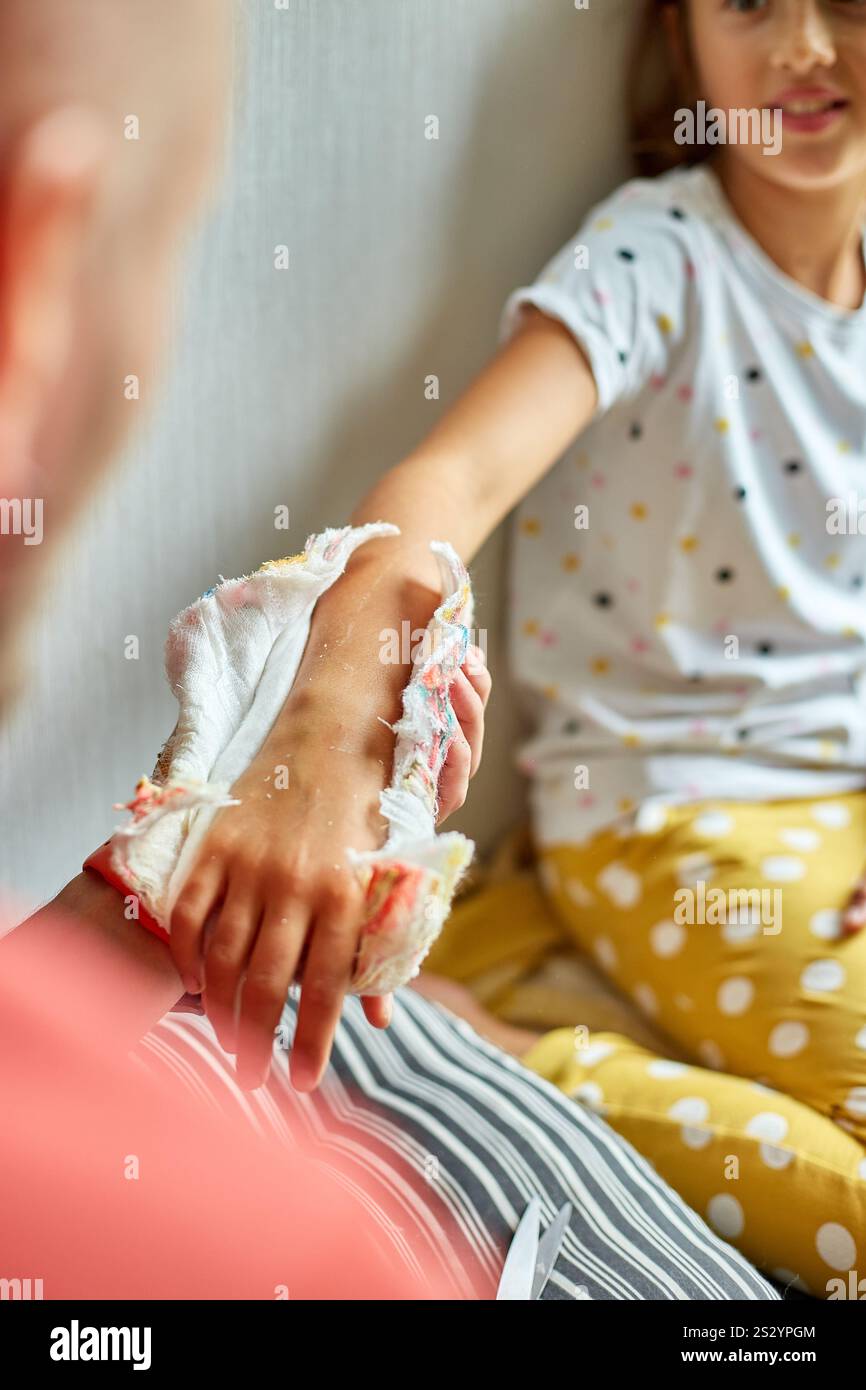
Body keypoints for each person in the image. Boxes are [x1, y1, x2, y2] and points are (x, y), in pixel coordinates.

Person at [158, 0, 866, 1294]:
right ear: (680, 31)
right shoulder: (662, 260)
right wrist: (326, 731)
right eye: (751, 4)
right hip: (672, 811)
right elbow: (448, 478)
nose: (804, 50)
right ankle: (500, 1042)